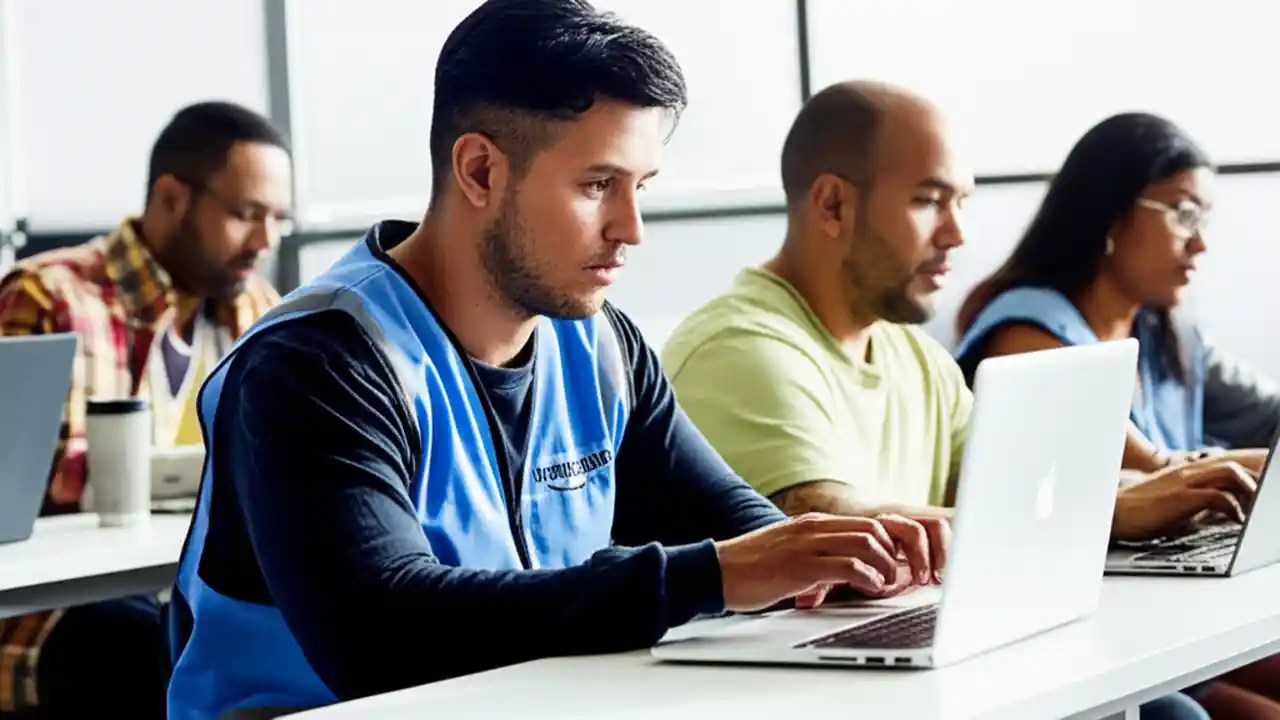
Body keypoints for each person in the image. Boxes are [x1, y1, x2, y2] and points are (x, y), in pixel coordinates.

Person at [164, 4, 942, 719]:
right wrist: (714, 575)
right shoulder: (315, 364)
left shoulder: (600, 344)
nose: (631, 228)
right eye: (598, 185)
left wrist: (845, 555)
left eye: (641, 187)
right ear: (479, 171)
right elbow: (381, 636)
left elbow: (742, 533)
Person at [660, 80, 1257, 720]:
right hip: (815, 698)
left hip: (936, 666)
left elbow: (1019, 494)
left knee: (1168, 712)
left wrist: (1119, 500)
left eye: (961, 203)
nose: (957, 234)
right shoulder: (742, 348)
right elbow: (836, 530)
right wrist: (1107, 512)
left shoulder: (916, 357)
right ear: (832, 204)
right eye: (928, 201)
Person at [953, 113, 1280, 718]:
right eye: (1183, 214)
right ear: (1109, 212)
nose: (1200, 242)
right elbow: (1163, 474)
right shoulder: (1028, 336)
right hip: (1098, 638)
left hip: (1182, 616)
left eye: (1204, 219)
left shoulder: (1167, 331)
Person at [0, 101, 291, 719]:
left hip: (189, 581)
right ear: (171, 197)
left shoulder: (260, 310)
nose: (265, 242)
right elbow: (21, 479)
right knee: (137, 642)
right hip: (55, 616)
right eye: (247, 215)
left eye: (278, 221)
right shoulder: (47, 296)